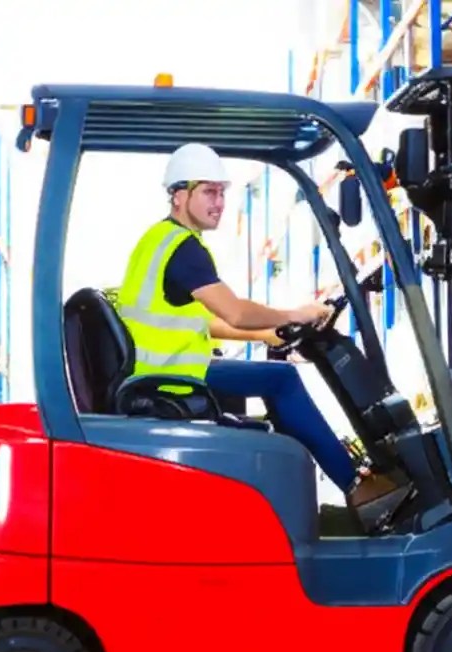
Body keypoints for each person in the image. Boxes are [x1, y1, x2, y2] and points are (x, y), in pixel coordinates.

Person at [113, 142, 396, 508]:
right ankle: (356, 486)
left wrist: (268, 333)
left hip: (158, 371)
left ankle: (334, 483)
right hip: (170, 378)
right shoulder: (184, 249)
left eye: (222, 193)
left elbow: (206, 323)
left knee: (273, 377)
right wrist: (296, 314)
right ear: (179, 195)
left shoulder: (158, 240)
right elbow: (236, 313)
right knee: (281, 381)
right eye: (209, 192)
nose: (219, 203)